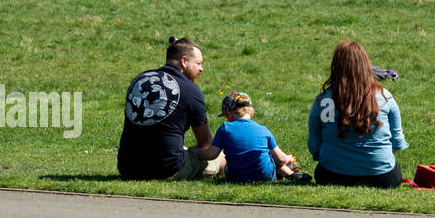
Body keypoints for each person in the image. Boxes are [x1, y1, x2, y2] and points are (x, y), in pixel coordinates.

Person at [118, 37, 226, 180]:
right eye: (198, 63)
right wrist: (189, 150)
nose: (201, 69)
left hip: (128, 168)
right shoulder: (190, 89)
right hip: (167, 168)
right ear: (184, 61)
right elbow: (205, 144)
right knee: (221, 156)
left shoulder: (139, 80)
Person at [308, 40, 408, 187]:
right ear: (366, 66)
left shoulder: (324, 101)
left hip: (331, 174)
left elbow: (314, 144)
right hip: (382, 177)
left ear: (335, 67)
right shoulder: (385, 97)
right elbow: (398, 142)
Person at [212, 91, 311, 183]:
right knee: (269, 156)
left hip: (235, 177)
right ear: (251, 113)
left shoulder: (225, 128)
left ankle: (290, 175)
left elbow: (212, 154)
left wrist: (202, 151)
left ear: (228, 114)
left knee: (225, 157)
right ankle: (291, 174)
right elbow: (280, 159)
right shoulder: (263, 130)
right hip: (264, 176)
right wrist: (288, 159)